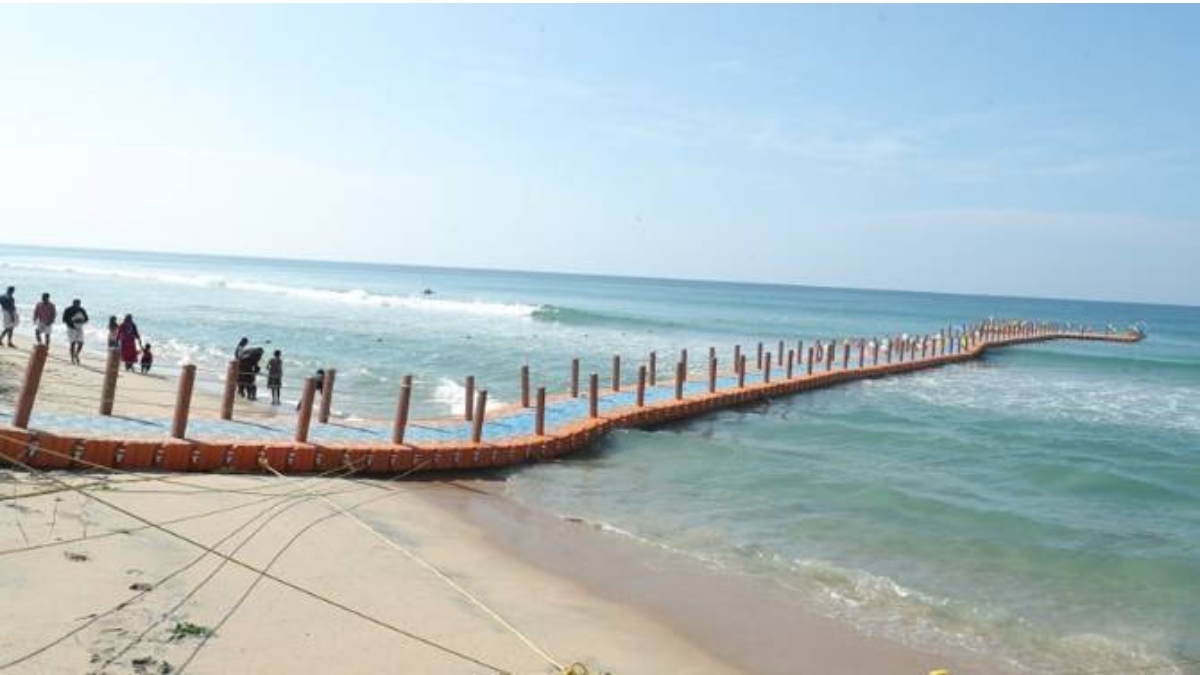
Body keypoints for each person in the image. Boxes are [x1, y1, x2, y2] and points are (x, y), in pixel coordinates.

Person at [62, 299, 90, 365]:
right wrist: (72, 322)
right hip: (71, 328)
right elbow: (64, 320)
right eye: (76, 304)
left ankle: (76, 354)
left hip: (80, 328)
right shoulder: (68, 310)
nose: (77, 305)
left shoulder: (82, 310)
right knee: (73, 343)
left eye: (78, 304)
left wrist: (81, 321)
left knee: (81, 343)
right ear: (73, 303)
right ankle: (72, 358)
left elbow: (86, 319)